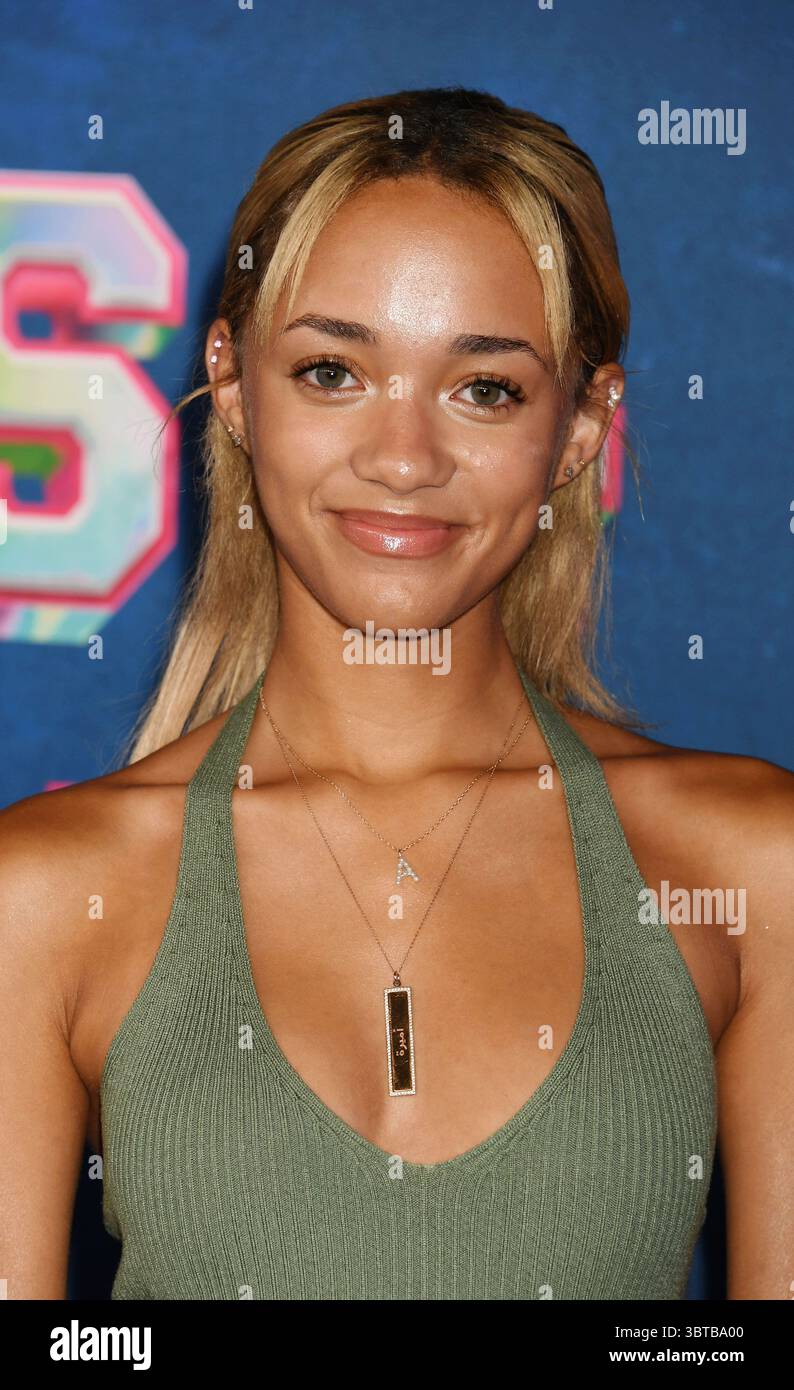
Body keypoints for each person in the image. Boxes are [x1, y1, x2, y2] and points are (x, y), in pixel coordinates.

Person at [1, 87, 792, 1301]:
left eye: (485, 388)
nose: (405, 459)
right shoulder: (44, 895)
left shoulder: (750, 869)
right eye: (331, 369)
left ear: (581, 425)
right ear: (232, 380)